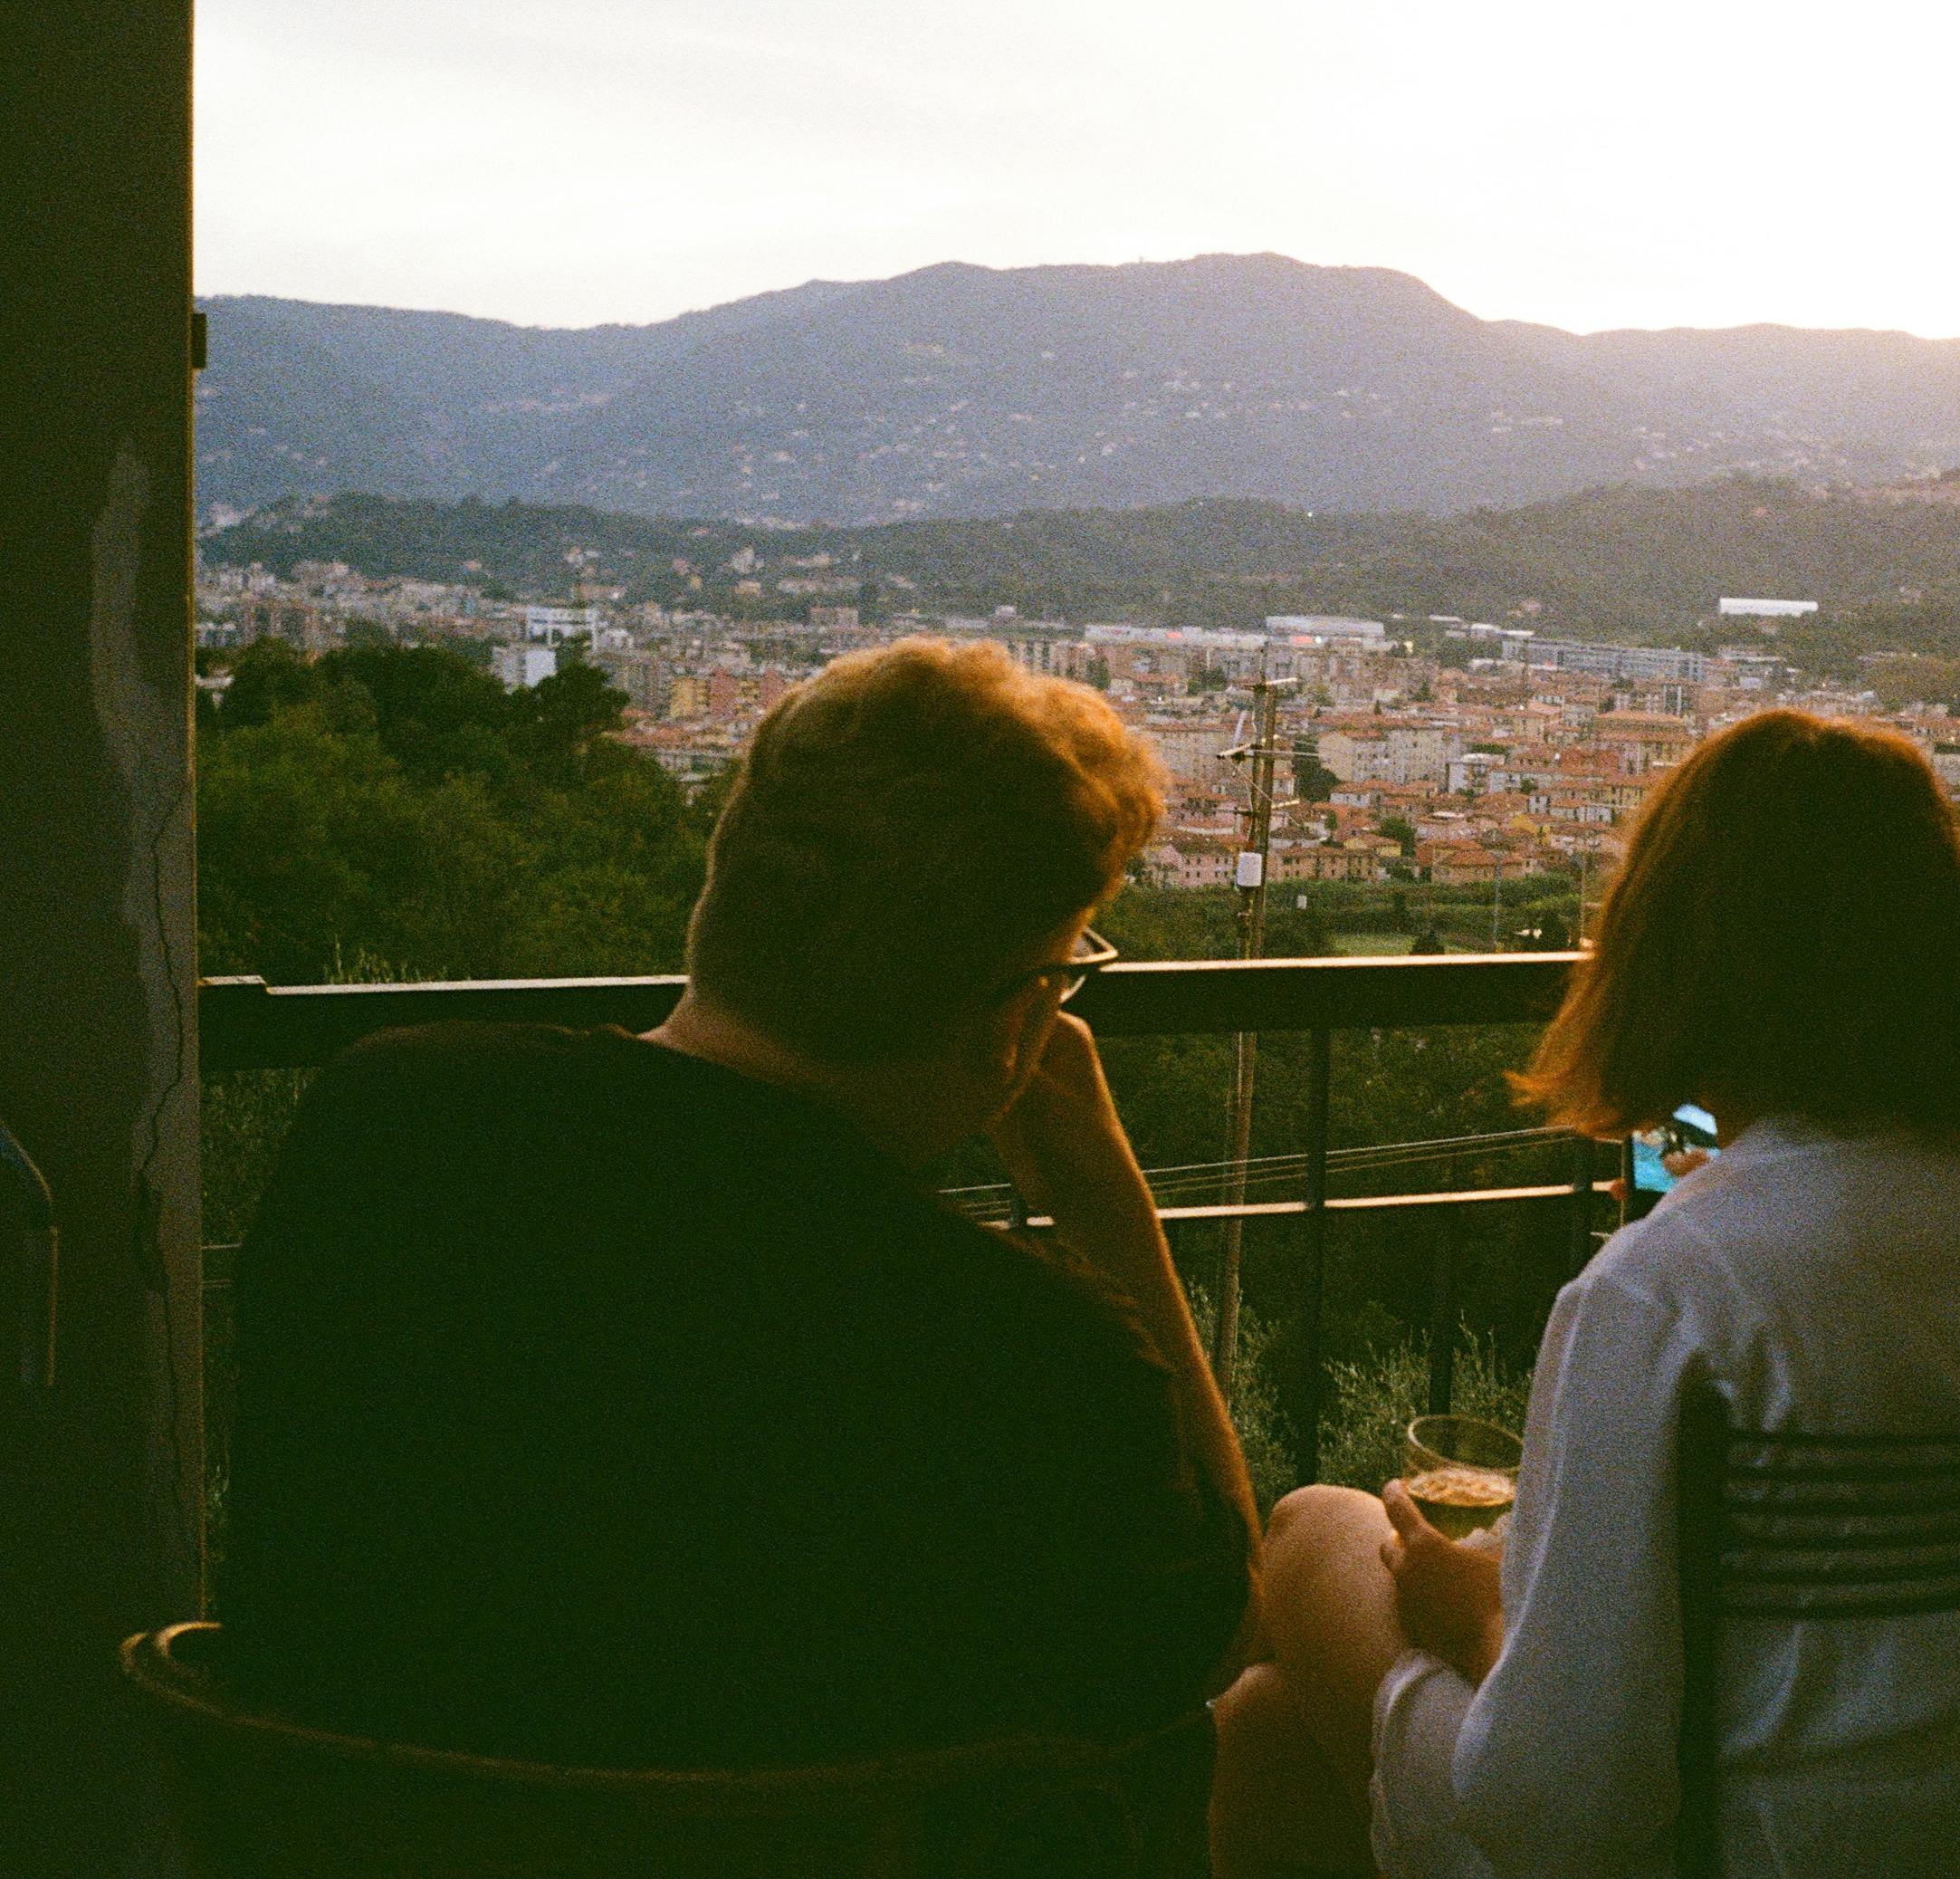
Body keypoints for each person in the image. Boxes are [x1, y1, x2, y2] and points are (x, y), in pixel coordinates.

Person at [219, 638, 1257, 1769]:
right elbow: (1218, 1645)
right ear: (1011, 1019)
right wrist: (1112, 1213)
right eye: (1064, 968)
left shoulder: (386, 1116)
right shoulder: (1030, 1354)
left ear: (732, 884)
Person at [1211, 711, 1960, 1879]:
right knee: (1270, 1725)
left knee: (1310, 1531)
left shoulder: (1665, 1290)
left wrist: (1472, 1617)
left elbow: (1557, 1810)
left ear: (1675, 952)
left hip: (1717, 1847)